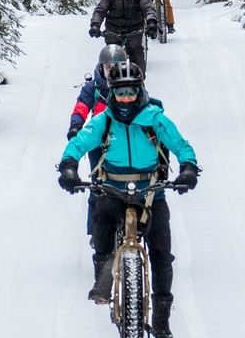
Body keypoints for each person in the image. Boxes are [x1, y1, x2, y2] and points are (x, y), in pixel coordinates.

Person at [57, 61, 200, 338]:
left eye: (131, 93)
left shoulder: (154, 117)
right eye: (120, 93)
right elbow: (80, 142)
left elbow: (180, 144)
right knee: (102, 225)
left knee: (161, 253)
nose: (125, 99)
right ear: (112, 92)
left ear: (140, 90)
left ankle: (160, 318)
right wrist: (69, 165)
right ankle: (103, 279)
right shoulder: (105, 120)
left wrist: (189, 167)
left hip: (151, 191)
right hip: (113, 187)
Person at [69, 44, 130, 236]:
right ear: (101, 67)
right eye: (108, 67)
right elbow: (81, 106)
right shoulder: (93, 87)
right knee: (98, 187)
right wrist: (76, 125)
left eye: (117, 66)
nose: (112, 71)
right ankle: (97, 233)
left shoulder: (131, 84)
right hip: (99, 142)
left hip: (124, 141)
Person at [89, 0, 157, 73]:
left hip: (134, 30)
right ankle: (108, 84)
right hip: (113, 32)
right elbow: (100, 10)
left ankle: (139, 84)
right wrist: (95, 24)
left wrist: (152, 22)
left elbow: (148, 7)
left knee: (137, 54)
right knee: (111, 59)